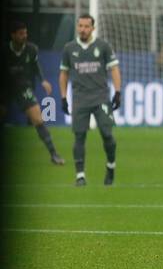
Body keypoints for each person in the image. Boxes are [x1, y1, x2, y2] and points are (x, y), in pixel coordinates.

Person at [59, 14, 121, 186]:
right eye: (80, 26)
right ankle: (80, 176)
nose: (83, 29)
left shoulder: (103, 46)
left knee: (107, 134)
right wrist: (64, 97)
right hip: (80, 99)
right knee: (79, 136)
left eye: (86, 26)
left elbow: (114, 68)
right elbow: (63, 73)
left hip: (101, 97)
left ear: (93, 28)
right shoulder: (69, 48)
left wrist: (118, 92)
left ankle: (110, 166)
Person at [7, 21, 64, 165]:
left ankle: (54, 154)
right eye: (21, 34)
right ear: (12, 35)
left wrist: (43, 80)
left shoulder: (31, 49)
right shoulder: (4, 50)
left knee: (38, 119)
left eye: (25, 33)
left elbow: (36, 66)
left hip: (22, 87)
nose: (24, 36)